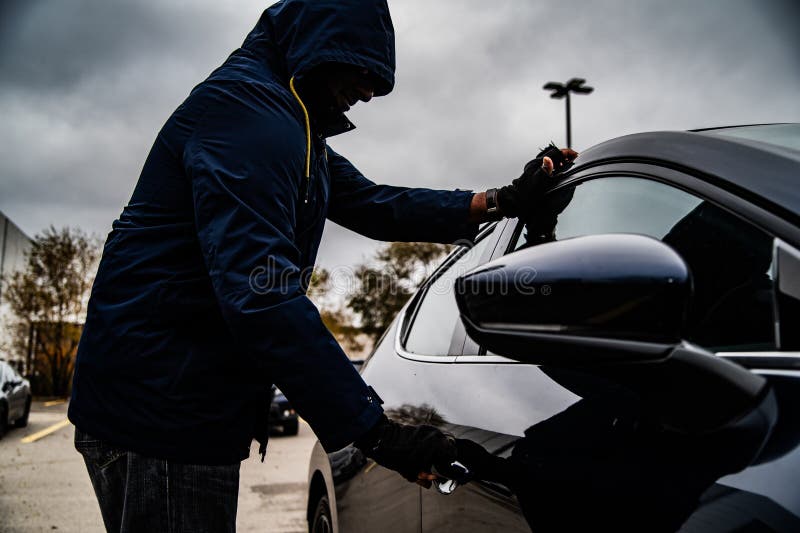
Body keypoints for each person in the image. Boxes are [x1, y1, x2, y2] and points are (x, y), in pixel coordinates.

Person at [68, 0, 576, 531]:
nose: (370, 92)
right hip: (159, 408)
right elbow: (263, 296)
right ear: (319, 43)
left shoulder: (290, 125)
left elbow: (378, 203)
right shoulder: (248, 117)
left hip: (174, 402)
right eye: (363, 71)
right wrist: (377, 432)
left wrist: (502, 200)